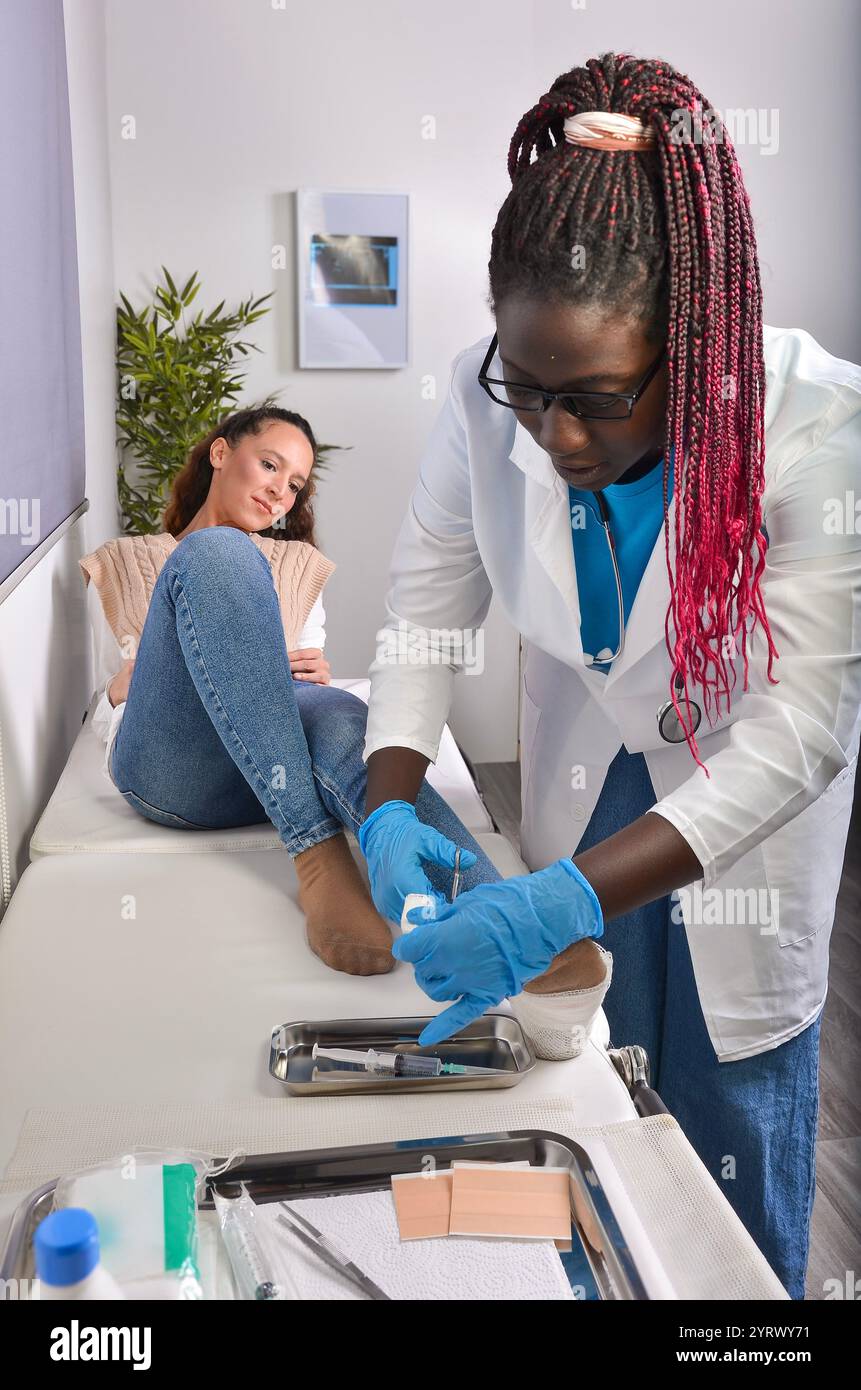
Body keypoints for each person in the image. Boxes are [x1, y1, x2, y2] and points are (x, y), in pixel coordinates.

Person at [355, 52, 861, 1298]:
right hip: (590, 775)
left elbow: (801, 731)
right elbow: (427, 604)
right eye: (527, 394)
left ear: (690, 341)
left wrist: (557, 898)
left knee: (729, 1134)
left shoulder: (817, 422)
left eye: (594, 400)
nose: (555, 435)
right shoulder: (490, 409)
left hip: (739, 806)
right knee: (591, 1106)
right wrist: (385, 791)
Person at [79, 403, 504, 976]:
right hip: (172, 768)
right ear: (222, 453)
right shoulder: (123, 562)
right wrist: (121, 688)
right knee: (218, 552)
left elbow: (304, 687)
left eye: (295, 483)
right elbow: (102, 714)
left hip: (266, 772)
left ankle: (496, 909)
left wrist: (288, 681)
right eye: (270, 465)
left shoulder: (299, 567)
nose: (281, 492)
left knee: (339, 709)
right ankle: (318, 855)